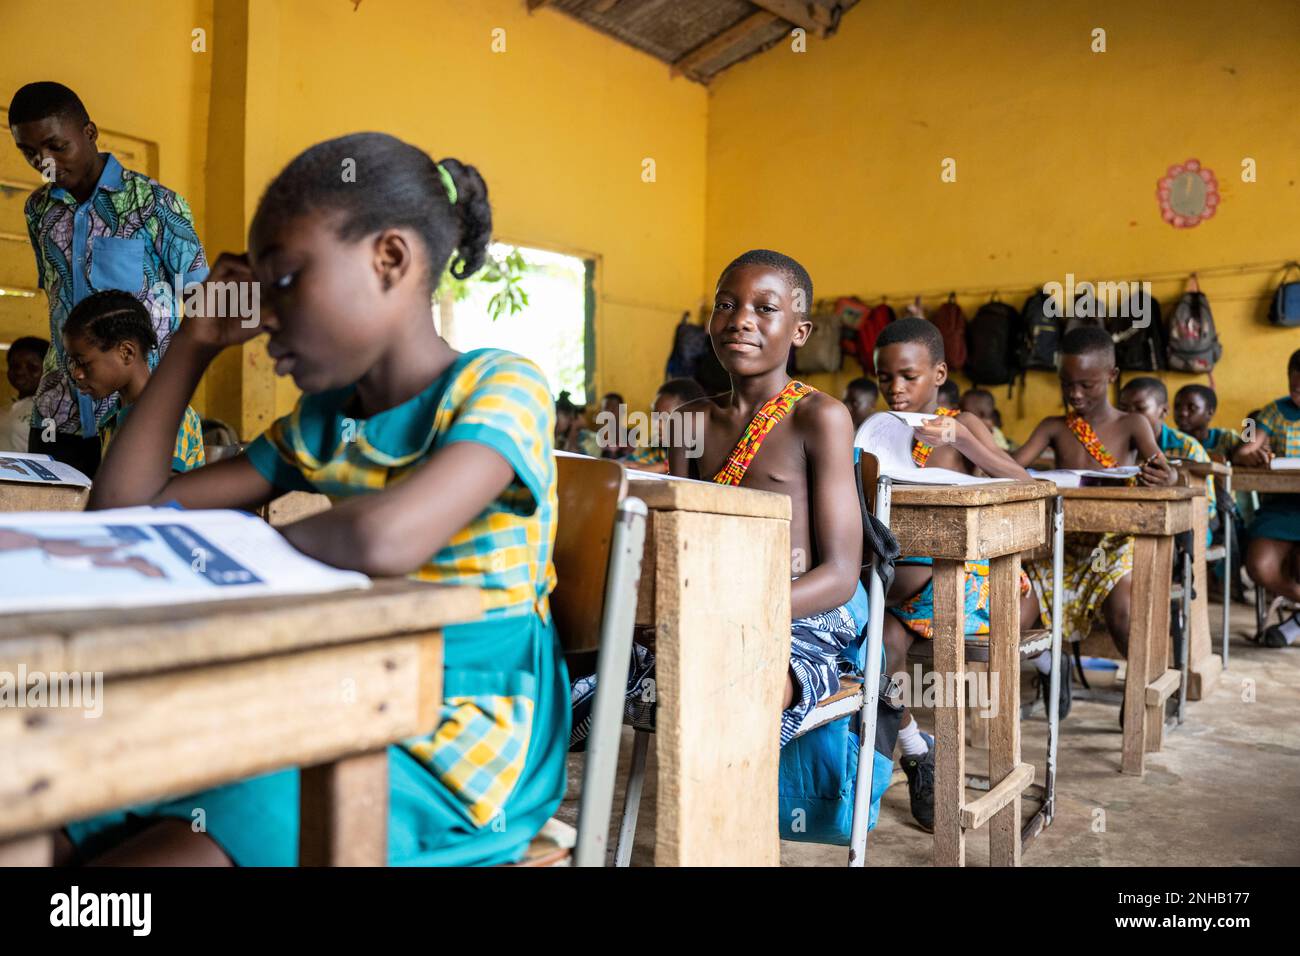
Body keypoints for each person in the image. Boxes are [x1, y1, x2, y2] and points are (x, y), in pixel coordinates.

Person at [62, 132, 568, 866]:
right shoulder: (326, 419)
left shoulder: (499, 385)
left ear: (389, 259)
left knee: (144, 866)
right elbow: (125, 515)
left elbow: (386, 539)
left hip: (451, 743)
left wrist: (220, 553)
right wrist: (195, 342)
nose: (266, 316)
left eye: (288, 281)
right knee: (60, 804)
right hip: (324, 694)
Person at [872, 317, 1034, 832]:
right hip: (902, 582)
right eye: (884, 378)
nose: (895, 389)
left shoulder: (960, 423)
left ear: (938, 373)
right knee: (879, 648)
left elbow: (1022, 483)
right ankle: (916, 754)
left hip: (964, 578)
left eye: (908, 376)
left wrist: (965, 440)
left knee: (869, 609)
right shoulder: (877, 432)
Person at [9, 82, 207, 476]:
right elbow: (57, 297)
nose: (44, 163)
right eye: (30, 153)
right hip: (58, 414)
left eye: (56, 147)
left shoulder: (154, 204)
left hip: (140, 413)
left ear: (89, 133)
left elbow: (206, 301)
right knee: (58, 530)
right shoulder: (38, 210)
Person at [1012, 327, 1177, 667]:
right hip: (1061, 544)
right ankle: (1047, 667)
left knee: (1124, 614)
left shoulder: (1133, 424)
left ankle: (1139, 695)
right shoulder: (1053, 427)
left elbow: (1160, 465)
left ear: (1112, 375)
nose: (1074, 394)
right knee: (1014, 611)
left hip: (1114, 544)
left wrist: (1167, 476)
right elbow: (1009, 469)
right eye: (1066, 383)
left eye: (1086, 385)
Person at [62, 291, 204, 472]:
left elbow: (160, 494)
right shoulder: (112, 418)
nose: (76, 374)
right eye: (74, 363)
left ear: (126, 352)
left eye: (83, 363)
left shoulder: (167, 415)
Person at [1239, 348, 1300, 646]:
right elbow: (1246, 448)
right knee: (1260, 565)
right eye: (1296, 388)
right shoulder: (1273, 412)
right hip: (1282, 508)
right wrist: (1251, 455)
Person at [0, 336, 48, 452]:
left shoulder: (51, 409)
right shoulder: (6, 408)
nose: (20, 372)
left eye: (32, 367)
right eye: (15, 366)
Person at [959, 386, 1014, 451]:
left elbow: (1003, 454)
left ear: (982, 414)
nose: (959, 413)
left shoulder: (990, 432)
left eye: (964, 411)